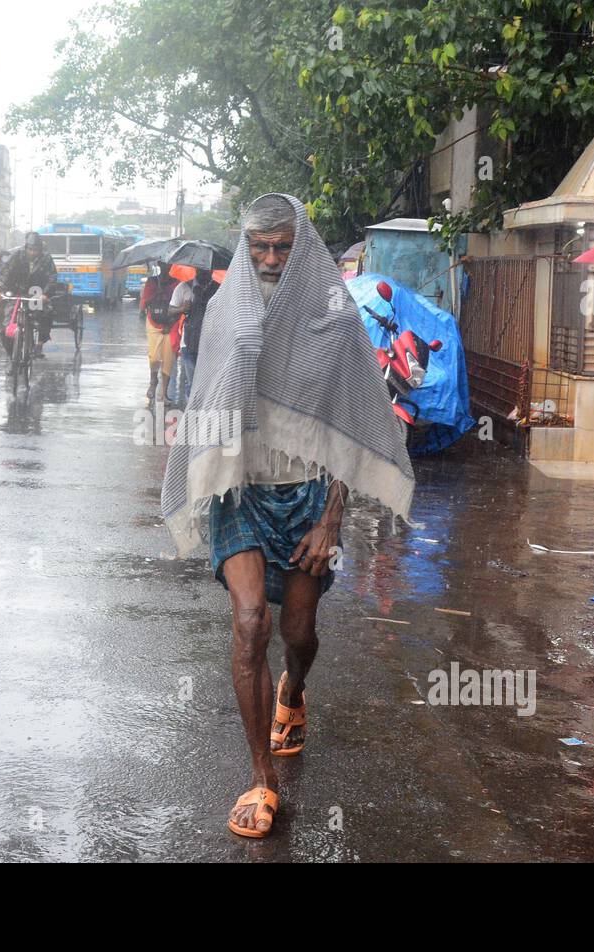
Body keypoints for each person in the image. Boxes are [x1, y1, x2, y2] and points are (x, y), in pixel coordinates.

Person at [160, 194, 415, 839]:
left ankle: (294, 693)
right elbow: (208, 392)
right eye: (259, 247)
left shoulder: (331, 316)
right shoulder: (225, 309)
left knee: (298, 632)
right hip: (239, 490)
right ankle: (261, 780)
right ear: (245, 249)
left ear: (301, 247)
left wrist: (331, 520)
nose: (271, 258)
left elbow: (353, 422)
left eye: (282, 246)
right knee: (251, 622)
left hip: (307, 496)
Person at [2, 232, 57, 358]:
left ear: (40, 249)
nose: (33, 253)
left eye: (35, 250)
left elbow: (52, 277)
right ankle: (11, 356)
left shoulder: (46, 258)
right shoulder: (17, 255)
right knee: (5, 326)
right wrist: (1, 289)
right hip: (17, 293)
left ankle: (39, 344)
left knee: (45, 315)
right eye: (30, 249)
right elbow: (6, 272)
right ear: (26, 248)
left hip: (37, 293)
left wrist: (46, 294)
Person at [168, 268, 216, 406]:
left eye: (208, 271)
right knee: (192, 381)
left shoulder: (218, 290)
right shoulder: (183, 288)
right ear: (196, 270)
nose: (205, 274)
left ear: (212, 271)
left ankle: (203, 411)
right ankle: (192, 412)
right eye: (202, 271)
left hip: (211, 344)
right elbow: (171, 310)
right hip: (189, 344)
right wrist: (182, 309)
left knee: (208, 382)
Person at [140, 263, 179, 406]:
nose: (165, 267)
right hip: (153, 321)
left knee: (168, 359)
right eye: (163, 265)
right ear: (159, 265)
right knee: (155, 356)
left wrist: (170, 325)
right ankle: (153, 380)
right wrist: (158, 292)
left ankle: (164, 392)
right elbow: (144, 304)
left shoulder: (176, 284)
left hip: (171, 323)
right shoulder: (152, 282)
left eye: (168, 265)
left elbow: (179, 307)